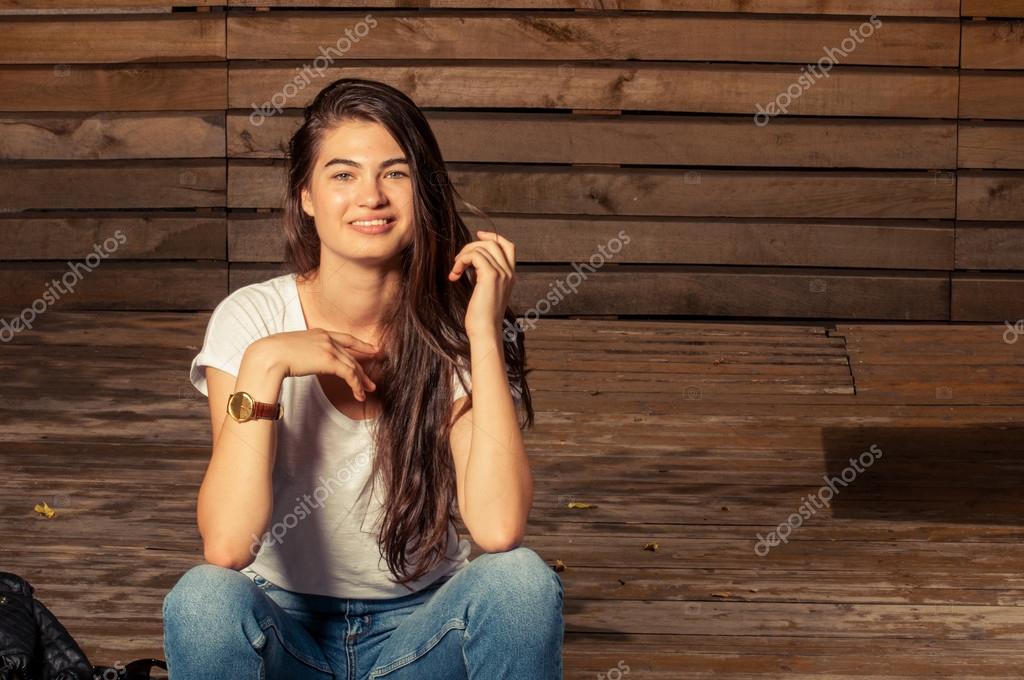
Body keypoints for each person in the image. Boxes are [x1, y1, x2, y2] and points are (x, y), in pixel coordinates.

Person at [162, 77, 564, 679]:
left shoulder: (455, 328)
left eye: (395, 174)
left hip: (420, 636)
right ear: (306, 195)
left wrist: (483, 333)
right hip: (286, 634)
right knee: (202, 600)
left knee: (523, 583)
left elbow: (498, 526)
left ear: (421, 193)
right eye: (343, 174)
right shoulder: (252, 320)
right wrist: (264, 366)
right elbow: (226, 545)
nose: (370, 196)